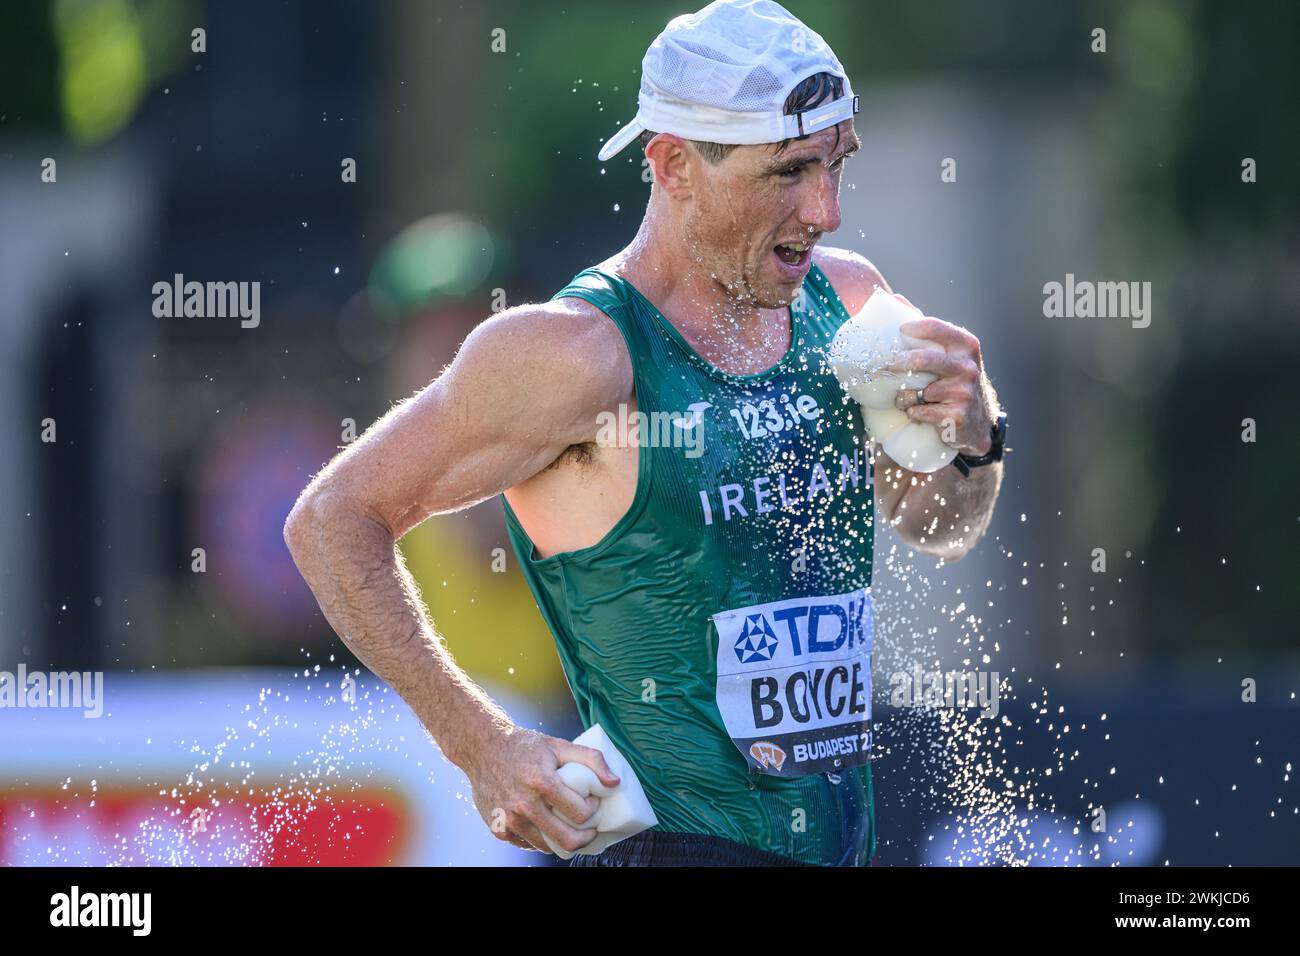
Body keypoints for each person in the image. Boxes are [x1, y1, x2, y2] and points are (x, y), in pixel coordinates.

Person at [284, 0, 1005, 867]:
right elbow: (331, 520)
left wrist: (973, 434)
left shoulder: (844, 304)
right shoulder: (576, 355)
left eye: (835, 166)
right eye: (788, 173)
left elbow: (940, 528)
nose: (827, 211)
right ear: (674, 166)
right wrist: (481, 747)